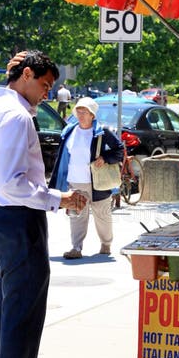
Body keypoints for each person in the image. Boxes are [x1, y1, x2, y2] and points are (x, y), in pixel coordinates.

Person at [0, 50, 86, 358]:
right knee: (21, 316)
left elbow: (3, 182)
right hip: (19, 219)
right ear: (25, 75)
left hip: (0, 218)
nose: (46, 93)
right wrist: (60, 198)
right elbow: (14, 183)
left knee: (5, 312)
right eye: (43, 84)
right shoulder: (17, 116)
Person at [49, 96, 124, 259]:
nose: (81, 115)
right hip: (75, 180)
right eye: (79, 111)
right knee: (76, 215)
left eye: (85, 112)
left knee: (102, 215)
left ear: (92, 115)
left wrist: (105, 158)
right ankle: (76, 247)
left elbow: (119, 150)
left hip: (97, 181)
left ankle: (106, 244)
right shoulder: (69, 131)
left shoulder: (101, 132)